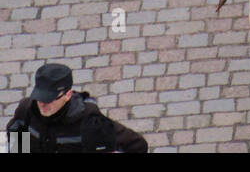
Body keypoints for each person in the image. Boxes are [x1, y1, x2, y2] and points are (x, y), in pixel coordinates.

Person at [6, 62, 148, 153]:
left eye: (49, 99)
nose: (42, 104)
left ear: (68, 95)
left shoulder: (90, 121)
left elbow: (136, 145)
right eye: (40, 97)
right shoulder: (26, 110)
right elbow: (16, 134)